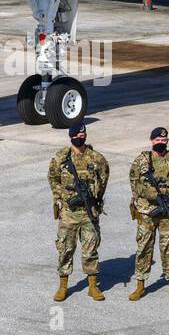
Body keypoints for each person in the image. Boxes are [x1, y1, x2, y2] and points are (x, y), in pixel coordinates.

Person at [47, 122, 109, 302]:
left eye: (83, 134)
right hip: (68, 213)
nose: (80, 137)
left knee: (90, 249)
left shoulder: (96, 158)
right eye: (77, 135)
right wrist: (61, 197)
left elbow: (103, 178)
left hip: (88, 211)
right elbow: (53, 178)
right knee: (65, 248)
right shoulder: (61, 158)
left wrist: (94, 198)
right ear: (71, 136)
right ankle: (63, 286)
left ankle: (92, 286)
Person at [128, 127, 169, 301]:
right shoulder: (142, 160)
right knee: (144, 248)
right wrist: (149, 196)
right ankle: (140, 285)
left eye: (163, 140)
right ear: (152, 141)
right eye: (157, 140)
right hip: (146, 212)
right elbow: (134, 182)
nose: (161, 143)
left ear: (167, 141)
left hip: (167, 213)